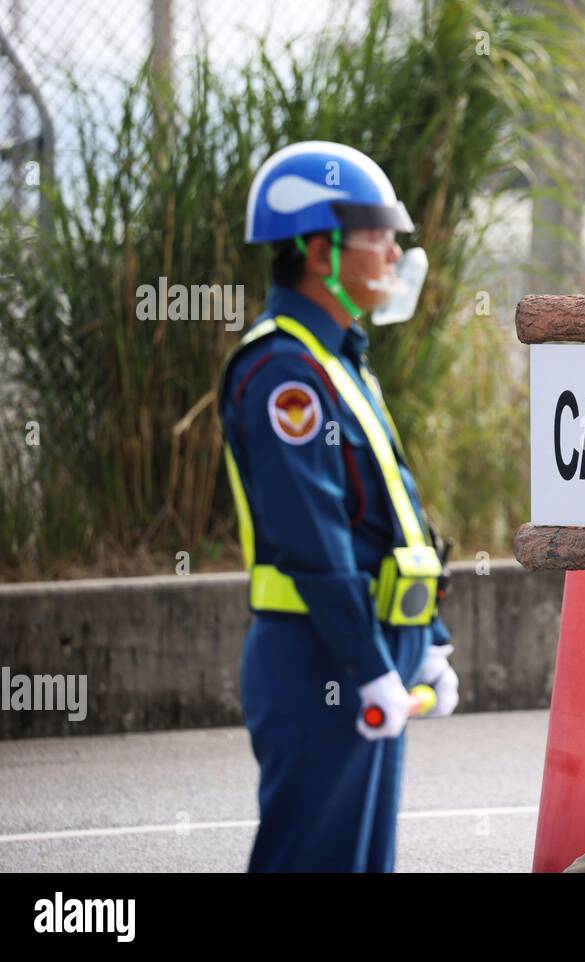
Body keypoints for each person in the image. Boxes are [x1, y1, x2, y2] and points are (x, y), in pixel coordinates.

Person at [219, 140, 457, 872]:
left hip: (370, 649)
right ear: (322, 252)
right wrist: (367, 666)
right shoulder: (283, 372)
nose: (394, 253)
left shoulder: (338, 361)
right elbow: (312, 536)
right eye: (379, 235)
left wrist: (431, 637)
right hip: (320, 656)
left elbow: (391, 517)